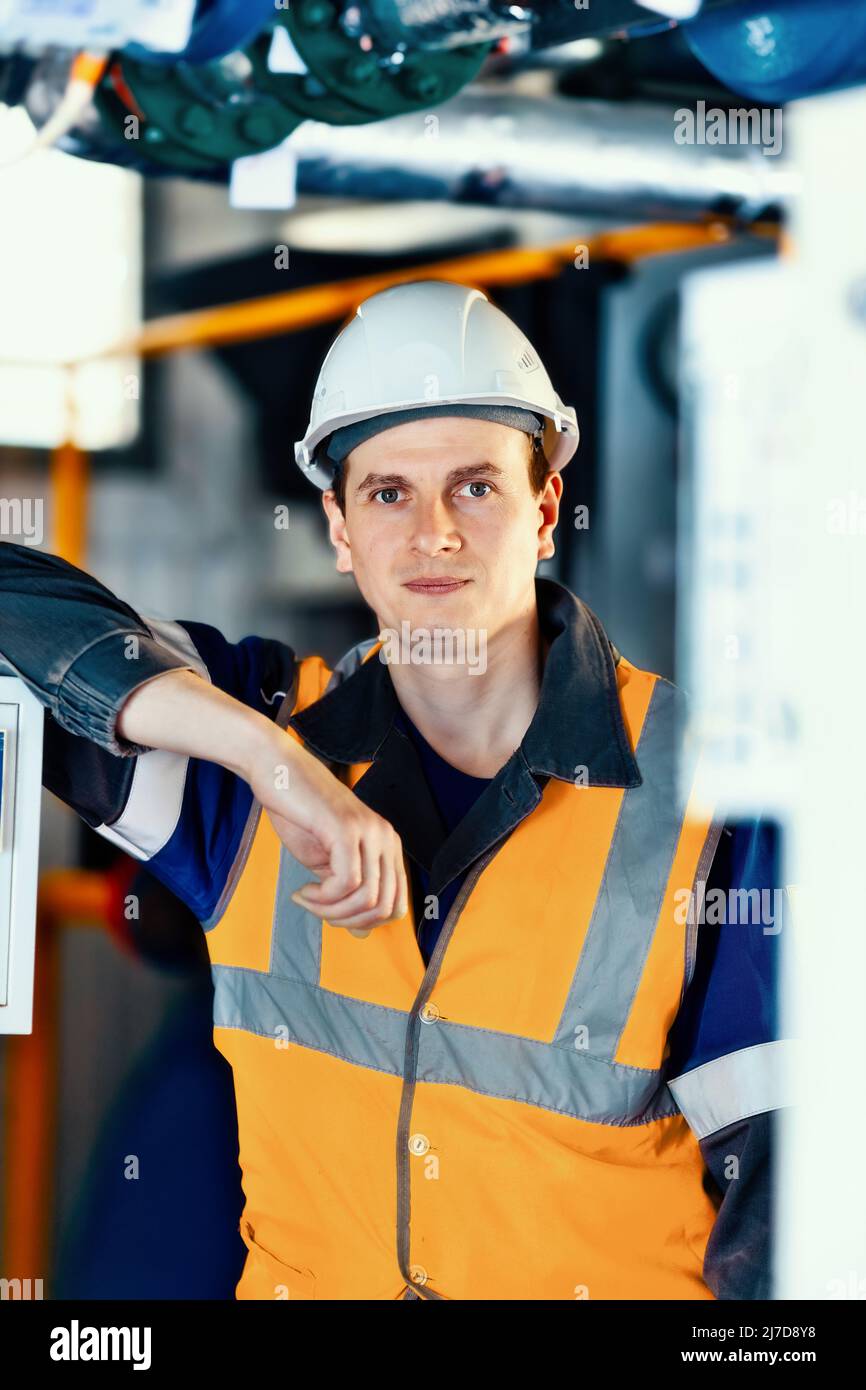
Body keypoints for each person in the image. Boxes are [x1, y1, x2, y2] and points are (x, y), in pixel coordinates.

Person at [0, 279, 787, 1301]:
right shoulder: (248, 747)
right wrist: (275, 764)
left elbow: (789, 1225)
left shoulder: (712, 797)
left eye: (474, 486)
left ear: (543, 510)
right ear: (335, 526)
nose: (433, 533)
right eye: (385, 493)